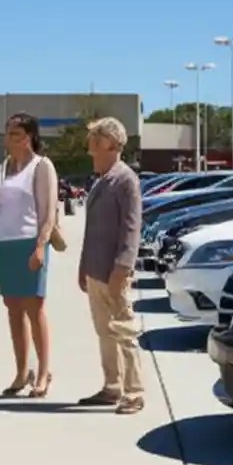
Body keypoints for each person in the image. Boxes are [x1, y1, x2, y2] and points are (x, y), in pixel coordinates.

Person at [0, 112, 58, 398]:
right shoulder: (3, 169)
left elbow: (48, 211)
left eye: (14, 134)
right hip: (5, 243)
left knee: (34, 309)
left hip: (30, 242)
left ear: (28, 138)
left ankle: (44, 372)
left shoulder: (42, 166)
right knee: (13, 309)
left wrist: (40, 245)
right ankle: (22, 371)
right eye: (7, 133)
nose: (8, 140)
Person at [77, 117, 144, 414]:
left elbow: (131, 229)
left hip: (114, 272)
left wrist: (123, 268)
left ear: (112, 145)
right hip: (95, 270)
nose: (90, 149)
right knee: (105, 332)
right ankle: (112, 386)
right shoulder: (102, 180)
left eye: (96, 142)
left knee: (124, 332)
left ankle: (134, 392)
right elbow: (92, 229)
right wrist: (83, 267)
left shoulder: (126, 180)